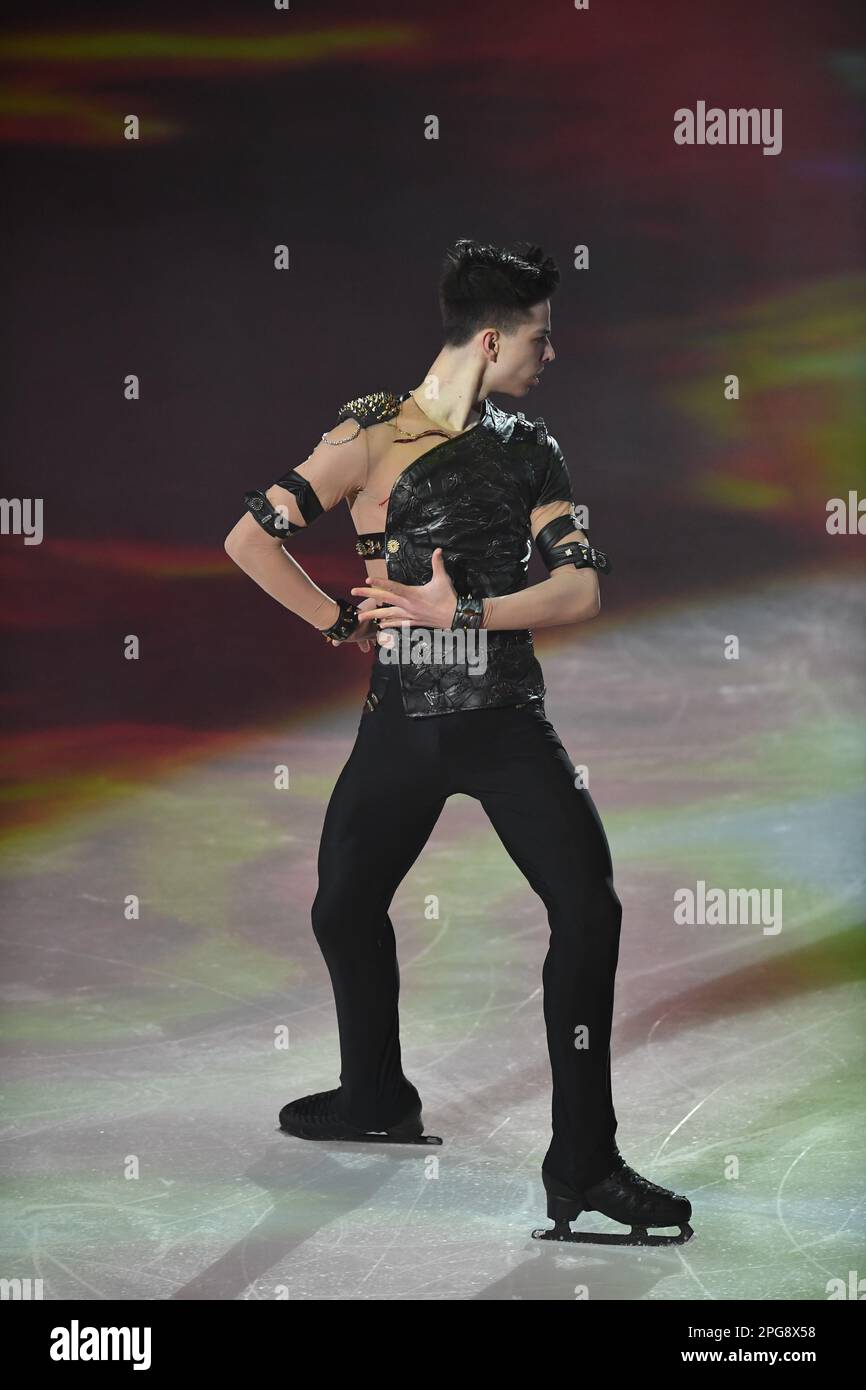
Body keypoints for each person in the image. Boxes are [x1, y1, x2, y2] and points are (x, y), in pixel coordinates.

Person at [225, 238, 693, 1245]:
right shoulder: (369, 437)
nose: (549, 356)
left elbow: (579, 588)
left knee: (588, 911)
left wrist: (461, 612)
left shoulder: (532, 447)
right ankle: (374, 1093)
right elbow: (249, 537)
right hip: (399, 726)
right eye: (539, 339)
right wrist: (337, 624)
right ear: (490, 341)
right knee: (344, 906)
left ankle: (583, 1161)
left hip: (504, 728)